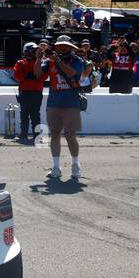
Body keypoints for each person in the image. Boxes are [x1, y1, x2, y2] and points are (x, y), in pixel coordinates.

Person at [36, 35, 85, 181]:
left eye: (65, 46)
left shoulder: (77, 61)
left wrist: (57, 61)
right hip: (54, 102)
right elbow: (38, 74)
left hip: (71, 103)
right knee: (55, 134)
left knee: (70, 135)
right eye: (59, 46)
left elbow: (72, 73)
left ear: (71, 48)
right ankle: (56, 166)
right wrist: (39, 59)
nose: (61, 48)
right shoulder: (50, 61)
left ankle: (75, 164)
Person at [13, 42, 46, 144]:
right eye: (33, 51)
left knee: (35, 115)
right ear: (27, 52)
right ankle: (23, 134)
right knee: (24, 115)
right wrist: (28, 76)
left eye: (36, 51)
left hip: (37, 92)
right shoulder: (21, 63)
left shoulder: (42, 62)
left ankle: (37, 135)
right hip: (25, 92)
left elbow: (44, 76)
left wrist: (34, 76)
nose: (36, 53)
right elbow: (16, 75)